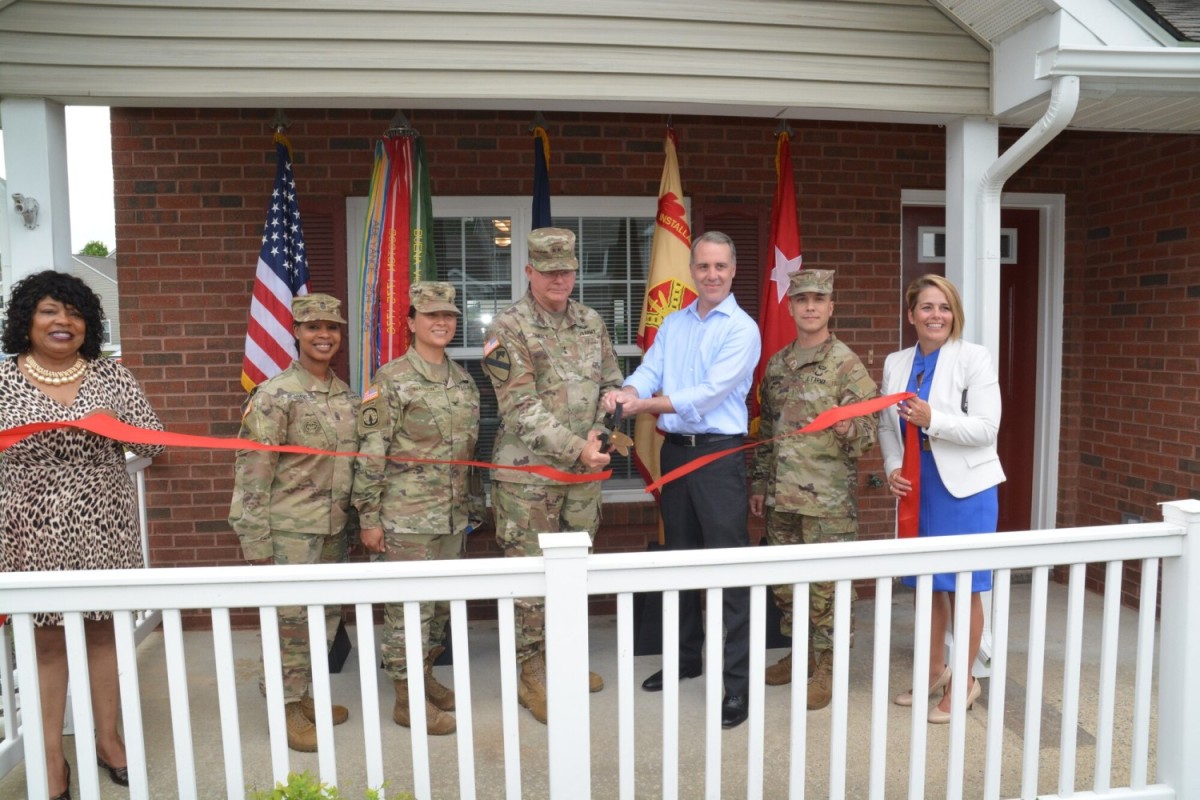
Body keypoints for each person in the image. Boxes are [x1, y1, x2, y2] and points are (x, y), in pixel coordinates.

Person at [0, 270, 164, 800]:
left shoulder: (112, 378)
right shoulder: (3, 383)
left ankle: (108, 740)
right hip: (31, 529)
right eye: (49, 310)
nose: (62, 321)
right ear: (26, 320)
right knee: (45, 643)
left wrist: (121, 434)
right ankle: (50, 757)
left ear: (87, 324)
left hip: (105, 525)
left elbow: (155, 442)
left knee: (104, 633)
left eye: (73, 313)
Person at [601, 230, 761, 729]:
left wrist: (645, 406)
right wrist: (628, 391)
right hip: (676, 456)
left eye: (720, 267)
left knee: (728, 576)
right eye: (703, 267)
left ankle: (736, 686)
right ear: (692, 271)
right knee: (680, 562)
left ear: (733, 271)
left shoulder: (742, 329)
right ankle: (687, 658)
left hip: (717, 460)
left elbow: (709, 394)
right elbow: (651, 370)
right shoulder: (674, 323)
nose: (711, 275)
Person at [481, 227, 623, 724]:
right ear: (529, 272)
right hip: (529, 478)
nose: (559, 278)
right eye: (549, 270)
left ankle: (563, 658)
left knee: (574, 575)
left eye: (567, 269)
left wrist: (602, 437)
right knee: (531, 581)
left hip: (583, 477)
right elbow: (519, 406)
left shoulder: (591, 321)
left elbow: (612, 384)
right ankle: (532, 673)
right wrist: (576, 449)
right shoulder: (507, 327)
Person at [228, 293, 358, 752]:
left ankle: (302, 698)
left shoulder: (344, 393)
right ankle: (285, 707)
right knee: (289, 623)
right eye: (313, 328)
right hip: (289, 530)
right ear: (297, 334)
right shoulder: (275, 394)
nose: (324, 335)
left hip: (332, 528)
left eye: (332, 328)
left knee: (323, 620)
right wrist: (255, 538)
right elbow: (253, 468)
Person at [353, 281, 482, 735]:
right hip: (405, 520)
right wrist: (368, 518)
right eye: (431, 316)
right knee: (407, 611)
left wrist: (473, 507)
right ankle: (406, 700)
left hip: (450, 519)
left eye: (448, 315)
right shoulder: (390, 380)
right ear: (411, 323)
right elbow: (371, 451)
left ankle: (423, 677)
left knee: (438, 610)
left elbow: (468, 455)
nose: (442, 323)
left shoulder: (464, 381)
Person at [749, 268, 878, 710]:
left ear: (830, 307)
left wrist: (846, 426)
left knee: (827, 587)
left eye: (818, 300)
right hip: (782, 496)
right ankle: (802, 655)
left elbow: (867, 433)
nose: (809, 307)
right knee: (788, 585)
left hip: (827, 502)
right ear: (790, 306)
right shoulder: (777, 364)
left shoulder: (847, 364)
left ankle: (828, 666)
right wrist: (759, 482)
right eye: (801, 300)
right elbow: (767, 429)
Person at [879, 274, 1005, 724]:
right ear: (911, 315)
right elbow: (884, 426)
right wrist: (893, 467)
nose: (936, 316)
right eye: (927, 307)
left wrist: (934, 419)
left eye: (945, 307)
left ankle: (965, 681)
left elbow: (987, 428)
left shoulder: (974, 358)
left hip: (965, 488)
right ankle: (934, 669)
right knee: (926, 584)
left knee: (963, 586)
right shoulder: (896, 362)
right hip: (918, 482)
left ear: (955, 315)